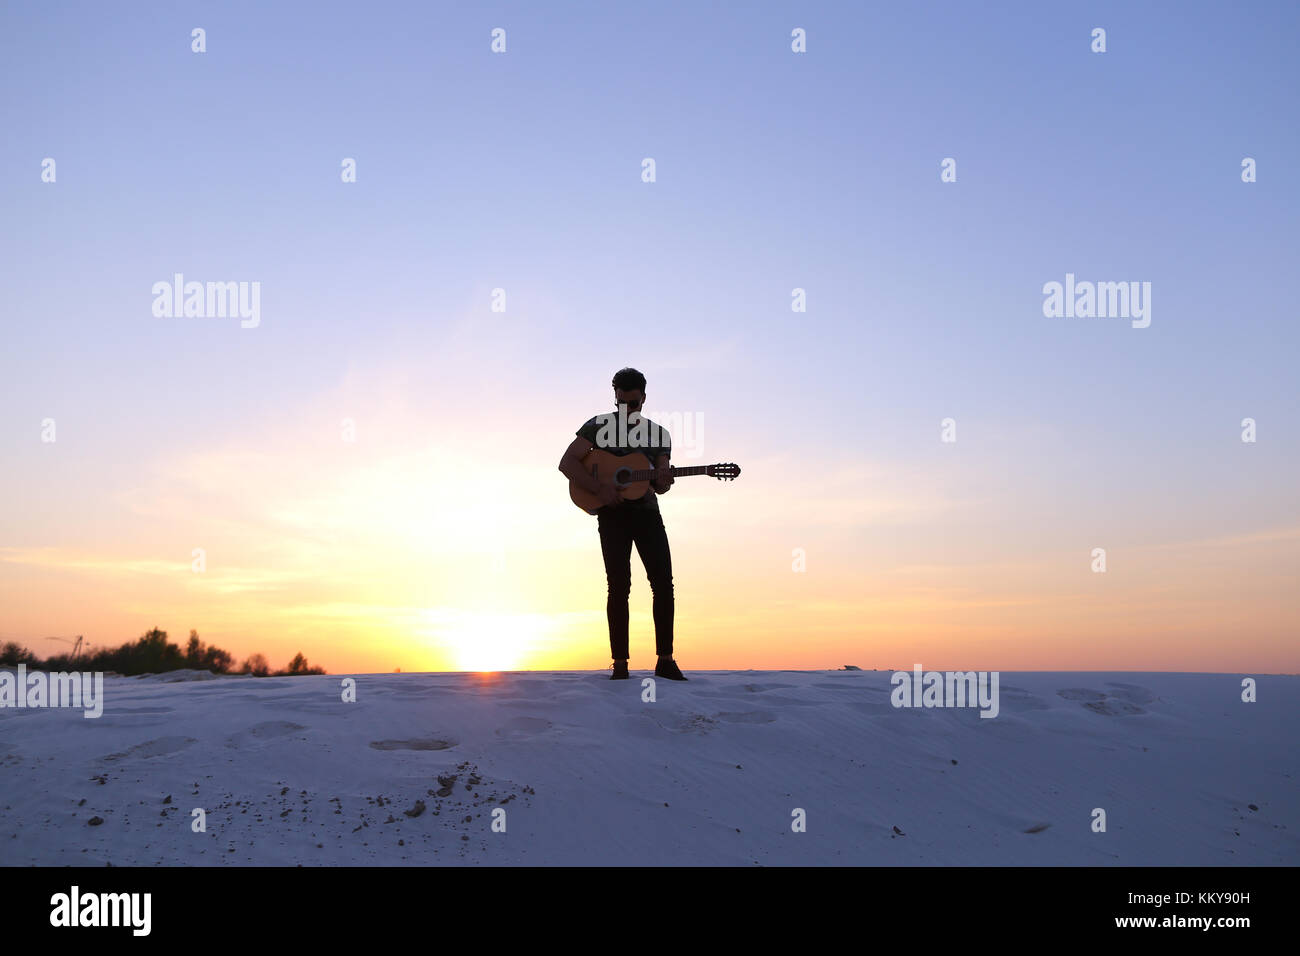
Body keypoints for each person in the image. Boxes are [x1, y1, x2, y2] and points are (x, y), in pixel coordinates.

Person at [557, 368, 687, 681]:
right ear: (615, 397)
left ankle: (665, 660)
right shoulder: (597, 426)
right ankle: (620, 664)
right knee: (618, 586)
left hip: (646, 513)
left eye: (634, 402)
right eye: (622, 402)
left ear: (644, 398)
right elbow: (567, 462)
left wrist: (665, 479)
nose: (628, 408)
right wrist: (598, 487)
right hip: (612, 515)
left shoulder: (658, 435)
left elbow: (661, 483)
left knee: (663, 584)